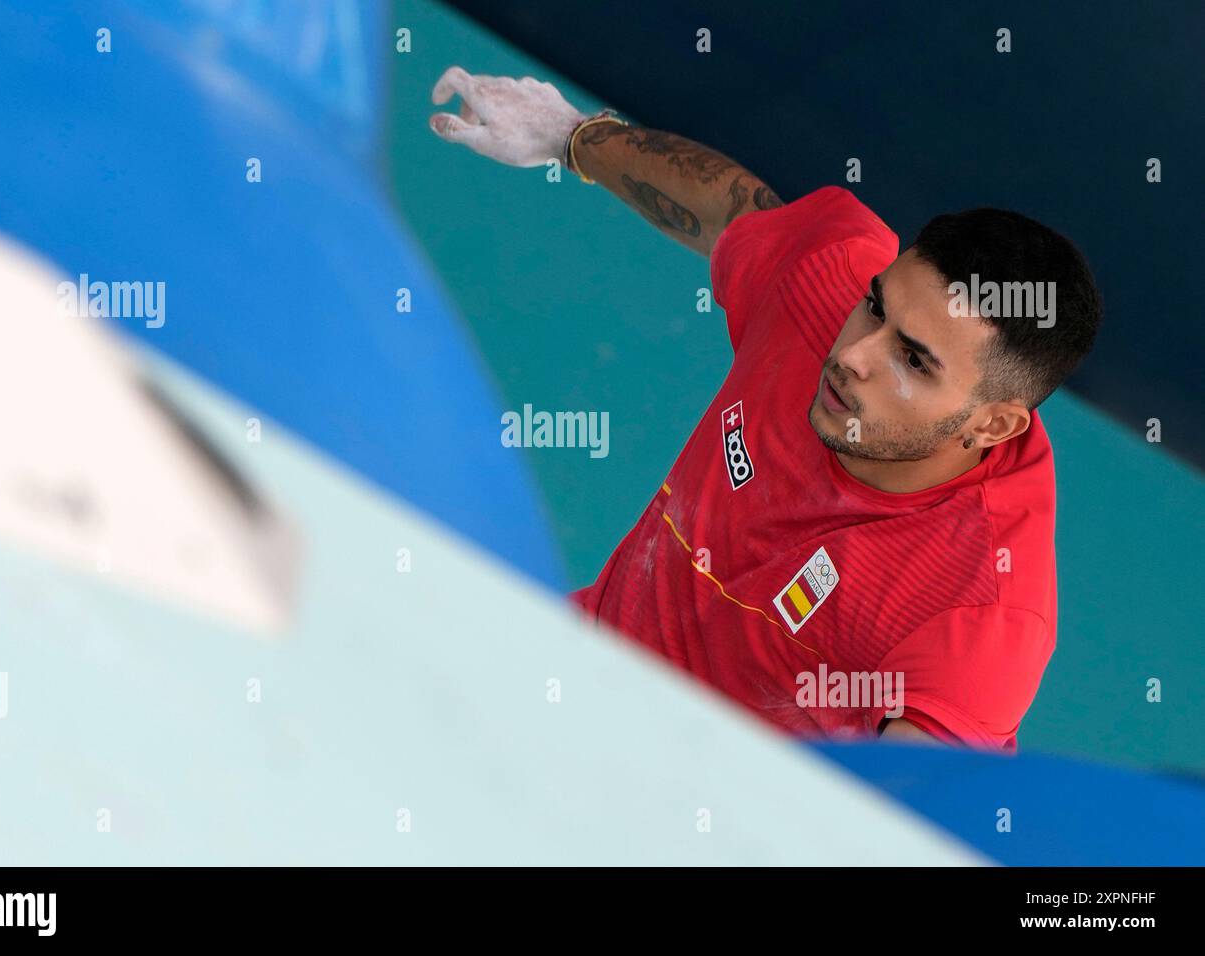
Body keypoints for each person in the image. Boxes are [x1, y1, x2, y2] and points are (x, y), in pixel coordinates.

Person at [428, 66, 1102, 750]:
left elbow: (915, 809)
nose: (855, 355)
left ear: (994, 423)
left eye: (914, 360)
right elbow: (735, 212)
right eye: (875, 306)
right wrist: (575, 137)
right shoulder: (821, 287)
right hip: (564, 672)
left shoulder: (978, 613)